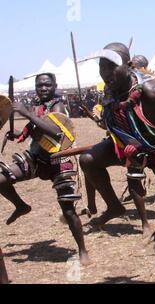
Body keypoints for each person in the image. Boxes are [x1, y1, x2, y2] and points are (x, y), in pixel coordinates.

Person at [79, 42, 155, 284]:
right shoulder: (111, 91)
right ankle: (115, 207)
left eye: (111, 66)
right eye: (102, 66)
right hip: (134, 148)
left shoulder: (152, 90)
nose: (106, 73)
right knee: (88, 160)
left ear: (127, 66)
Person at [0, 73, 90, 265]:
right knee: (1, 178)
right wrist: (17, 133)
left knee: (67, 210)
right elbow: (35, 130)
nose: (43, 89)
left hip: (59, 159)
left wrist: (26, 113)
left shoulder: (58, 106)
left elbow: (57, 133)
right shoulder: (37, 106)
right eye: (39, 85)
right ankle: (21, 206)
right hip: (37, 158)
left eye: (47, 85)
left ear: (55, 86)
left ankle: (83, 250)